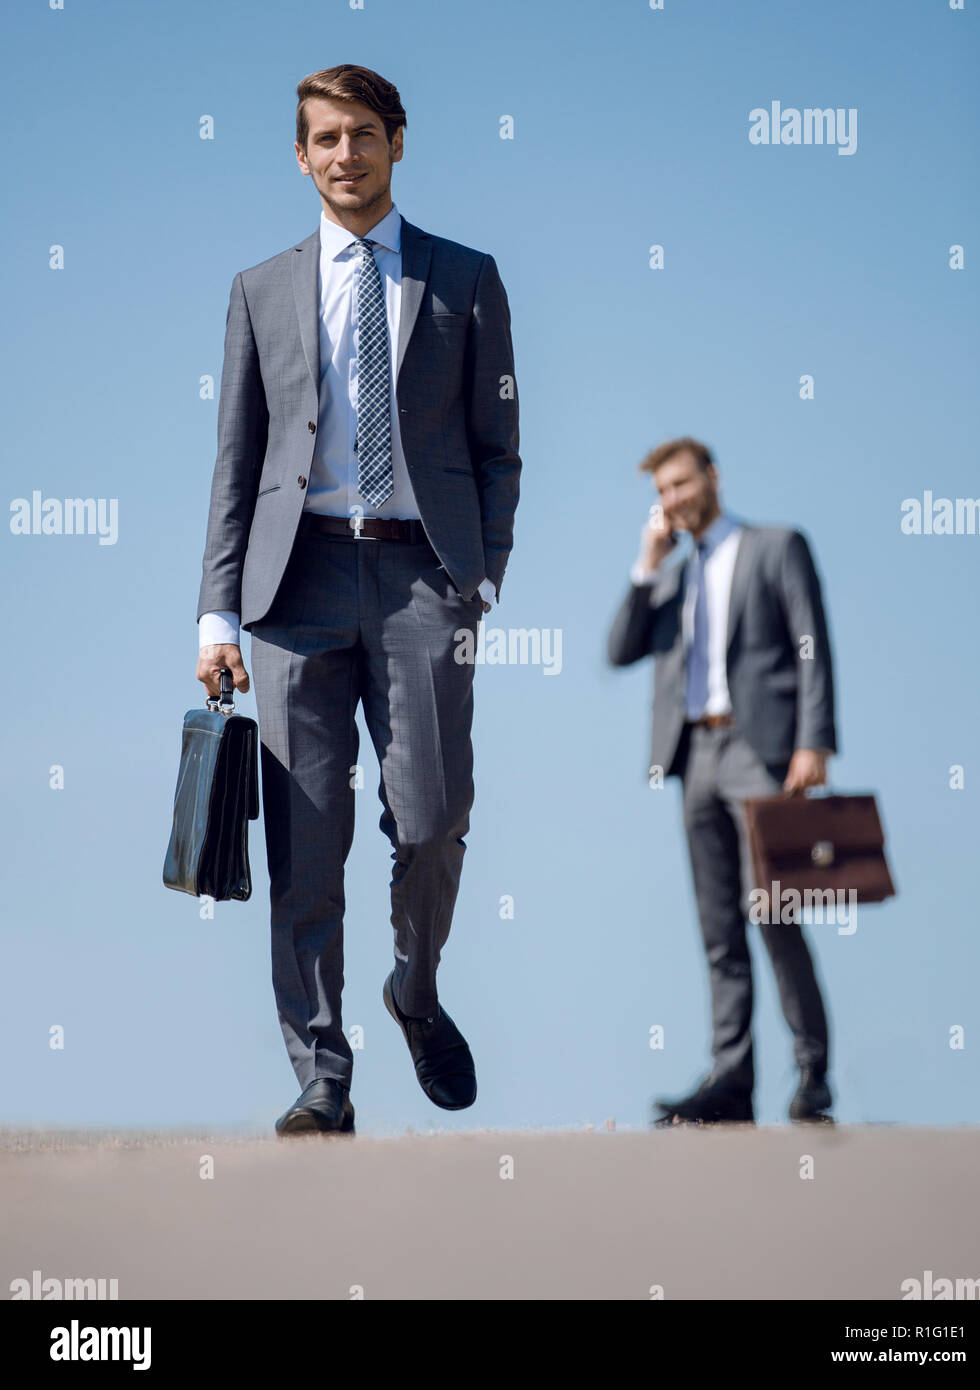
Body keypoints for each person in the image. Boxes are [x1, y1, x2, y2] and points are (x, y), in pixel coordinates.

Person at [194, 64, 521, 1136]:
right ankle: (322, 1073)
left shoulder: (465, 280)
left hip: (425, 580)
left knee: (432, 819)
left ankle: (412, 989)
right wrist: (215, 612)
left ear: (397, 142)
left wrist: (478, 579)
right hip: (294, 584)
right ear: (301, 155)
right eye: (325, 139)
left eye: (364, 135)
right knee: (307, 841)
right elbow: (235, 461)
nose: (345, 155)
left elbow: (496, 449)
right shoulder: (258, 288)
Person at [607, 438, 835, 1126]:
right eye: (662, 492)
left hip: (760, 751)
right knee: (718, 931)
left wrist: (813, 740)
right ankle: (732, 1081)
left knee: (775, 914)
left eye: (680, 483)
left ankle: (812, 1074)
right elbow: (619, 651)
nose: (672, 498)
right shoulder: (671, 578)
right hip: (692, 759)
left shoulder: (776, 546)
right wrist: (646, 569)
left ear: (712, 477)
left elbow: (811, 643)